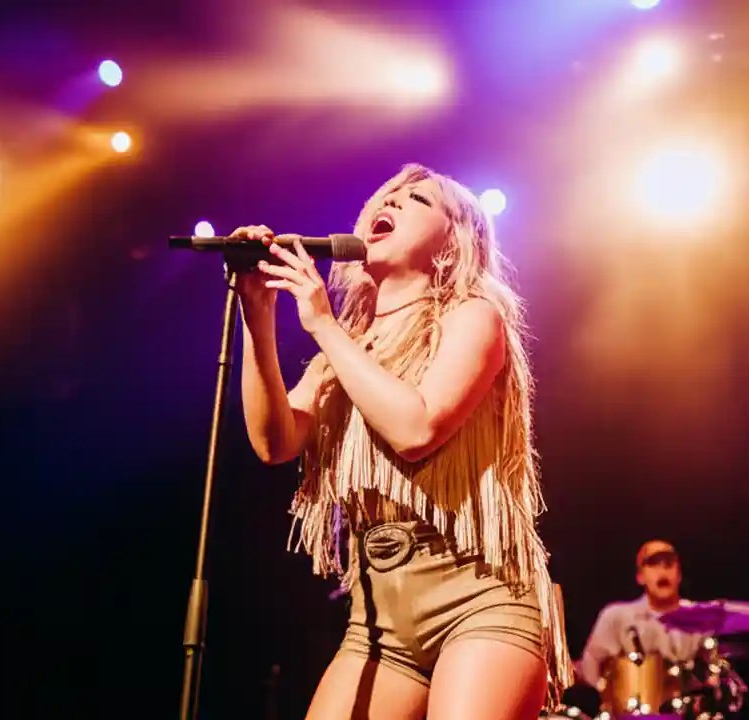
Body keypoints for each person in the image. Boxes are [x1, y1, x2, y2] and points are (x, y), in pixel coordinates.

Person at [233, 163, 571, 719]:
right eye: (387, 195)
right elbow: (275, 442)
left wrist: (322, 324)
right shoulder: (343, 354)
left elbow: (417, 430)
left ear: (454, 241)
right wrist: (258, 318)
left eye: (418, 199)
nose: (390, 201)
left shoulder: (472, 316)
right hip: (377, 619)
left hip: (478, 597)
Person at [576, 540, 707, 688]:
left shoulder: (699, 617)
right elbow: (592, 660)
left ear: (679, 574)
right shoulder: (616, 616)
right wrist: (602, 692)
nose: (662, 572)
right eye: (653, 565)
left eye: (668, 565)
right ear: (640, 576)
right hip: (632, 699)